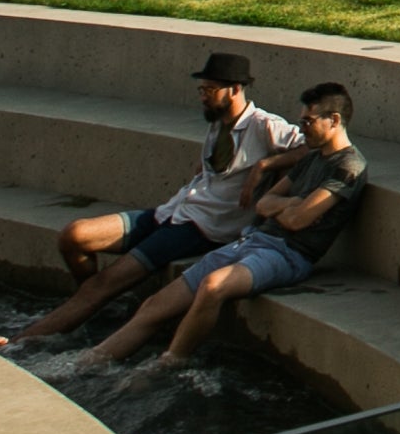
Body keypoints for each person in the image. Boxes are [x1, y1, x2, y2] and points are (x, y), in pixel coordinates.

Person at [16, 49, 295, 342]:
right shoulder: (217, 120)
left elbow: (313, 148)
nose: (202, 96)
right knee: (74, 236)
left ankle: (17, 345)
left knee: (105, 283)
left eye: (210, 90)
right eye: (201, 89)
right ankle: (92, 303)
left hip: (199, 228)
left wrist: (267, 164)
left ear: (235, 89)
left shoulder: (265, 126)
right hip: (173, 212)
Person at [81, 83, 367, 368]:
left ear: (335, 120)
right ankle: (88, 362)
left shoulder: (348, 167)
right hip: (251, 240)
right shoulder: (312, 159)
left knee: (214, 286)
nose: (302, 128)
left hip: (288, 254)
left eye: (308, 121)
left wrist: (286, 208)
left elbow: (297, 221)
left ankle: (168, 364)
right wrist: (290, 203)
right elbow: (263, 203)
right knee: (156, 304)